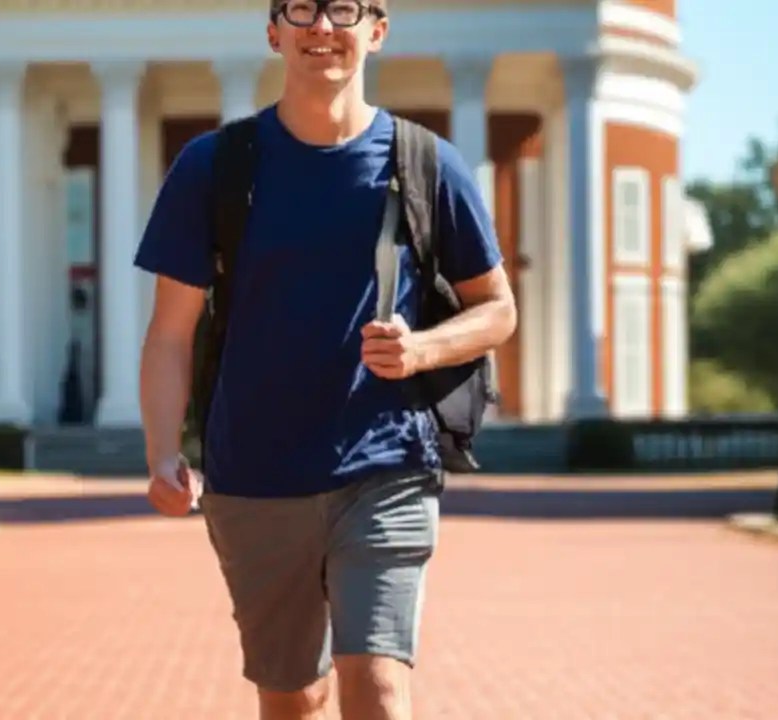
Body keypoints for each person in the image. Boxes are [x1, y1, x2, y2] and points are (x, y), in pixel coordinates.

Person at [134, 1, 516, 717]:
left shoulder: (427, 164)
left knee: (376, 685)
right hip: (253, 475)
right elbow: (169, 333)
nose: (323, 27)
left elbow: (498, 308)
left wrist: (422, 347)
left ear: (377, 28)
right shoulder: (214, 167)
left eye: (344, 8)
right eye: (301, 8)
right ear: (274, 30)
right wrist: (162, 453)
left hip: (387, 465)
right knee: (293, 699)